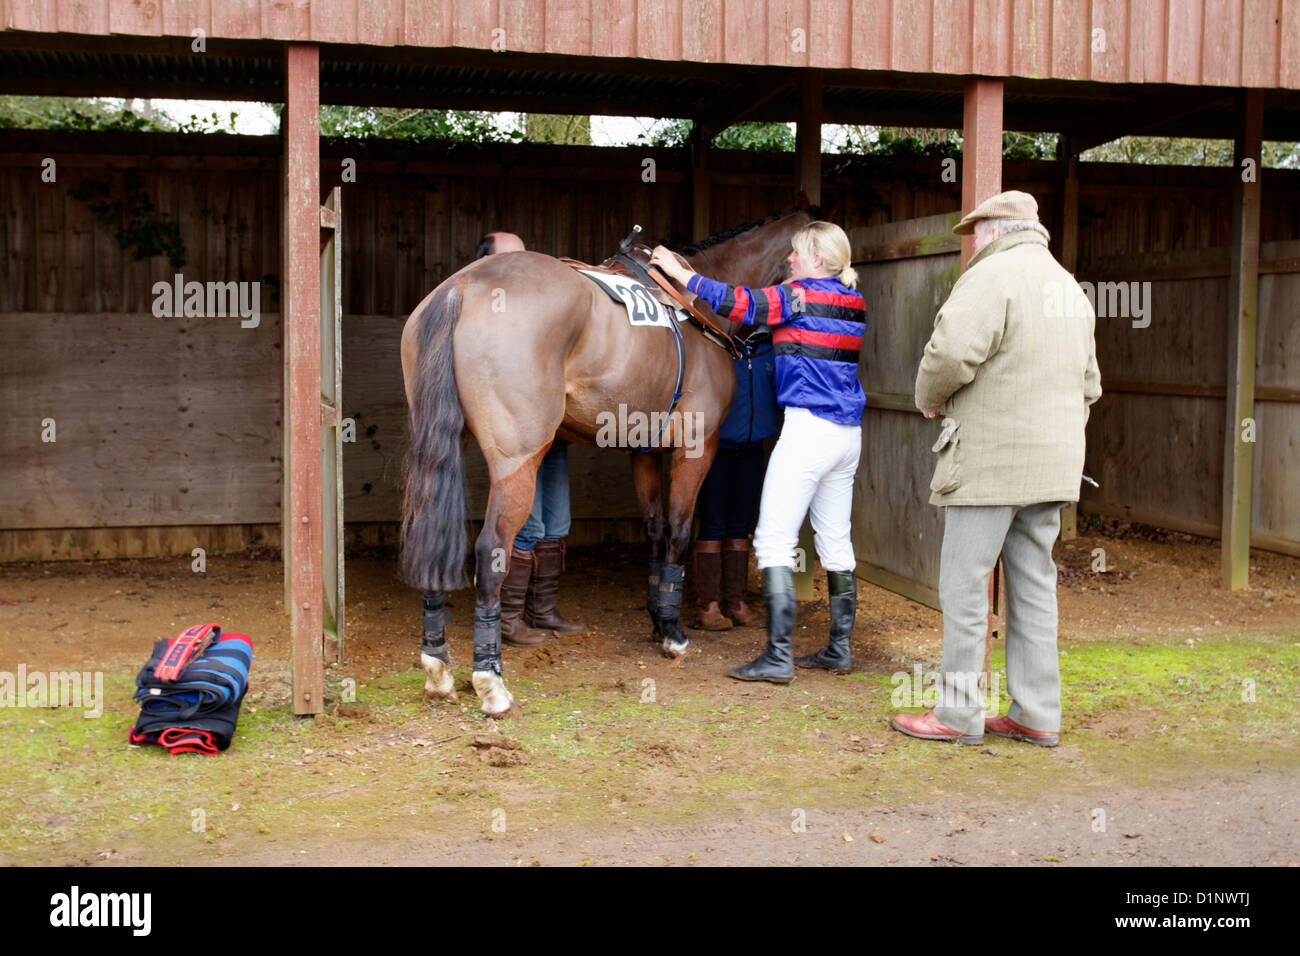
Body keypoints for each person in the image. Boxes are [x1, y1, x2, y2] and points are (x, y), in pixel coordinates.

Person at [891, 191, 1101, 747]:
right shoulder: (1069, 289)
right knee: (1034, 587)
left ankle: (957, 715)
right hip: (1053, 468)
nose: (972, 244)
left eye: (975, 234)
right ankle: (1037, 713)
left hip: (988, 465)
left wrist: (927, 397)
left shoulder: (992, 276)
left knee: (964, 587)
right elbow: (1091, 386)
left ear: (994, 231)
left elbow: (951, 352)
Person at [650, 220, 866, 683]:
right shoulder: (853, 300)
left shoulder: (799, 296)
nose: (787, 260)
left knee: (772, 540)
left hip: (808, 431)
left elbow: (738, 302)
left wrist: (678, 272)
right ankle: (838, 648)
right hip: (847, 435)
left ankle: (778, 655)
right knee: (835, 541)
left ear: (815, 260)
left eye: (795, 254)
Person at [474, 231, 585, 646]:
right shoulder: (486, 316)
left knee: (558, 521)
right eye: (512, 261)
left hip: (553, 431)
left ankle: (544, 609)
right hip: (521, 436)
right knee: (527, 524)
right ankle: (507, 617)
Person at [688, 324, 780, 631]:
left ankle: (736, 602)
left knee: (741, 524)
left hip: (754, 447)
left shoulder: (769, 345)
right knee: (713, 523)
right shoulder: (715, 343)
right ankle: (708, 605)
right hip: (715, 447)